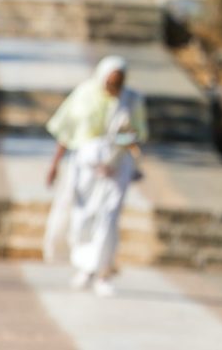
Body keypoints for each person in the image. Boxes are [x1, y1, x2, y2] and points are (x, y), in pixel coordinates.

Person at [43, 56, 148, 297]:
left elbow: (139, 134)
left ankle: (103, 270)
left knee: (108, 217)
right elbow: (67, 132)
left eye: (118, 83)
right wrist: (54, 164)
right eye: (110, 82)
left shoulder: (131, 99)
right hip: (86, 165)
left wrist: (125, 142)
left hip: (117, 165)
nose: (113, 87)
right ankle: (84, 266)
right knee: (83, 216)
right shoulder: (84, 93)